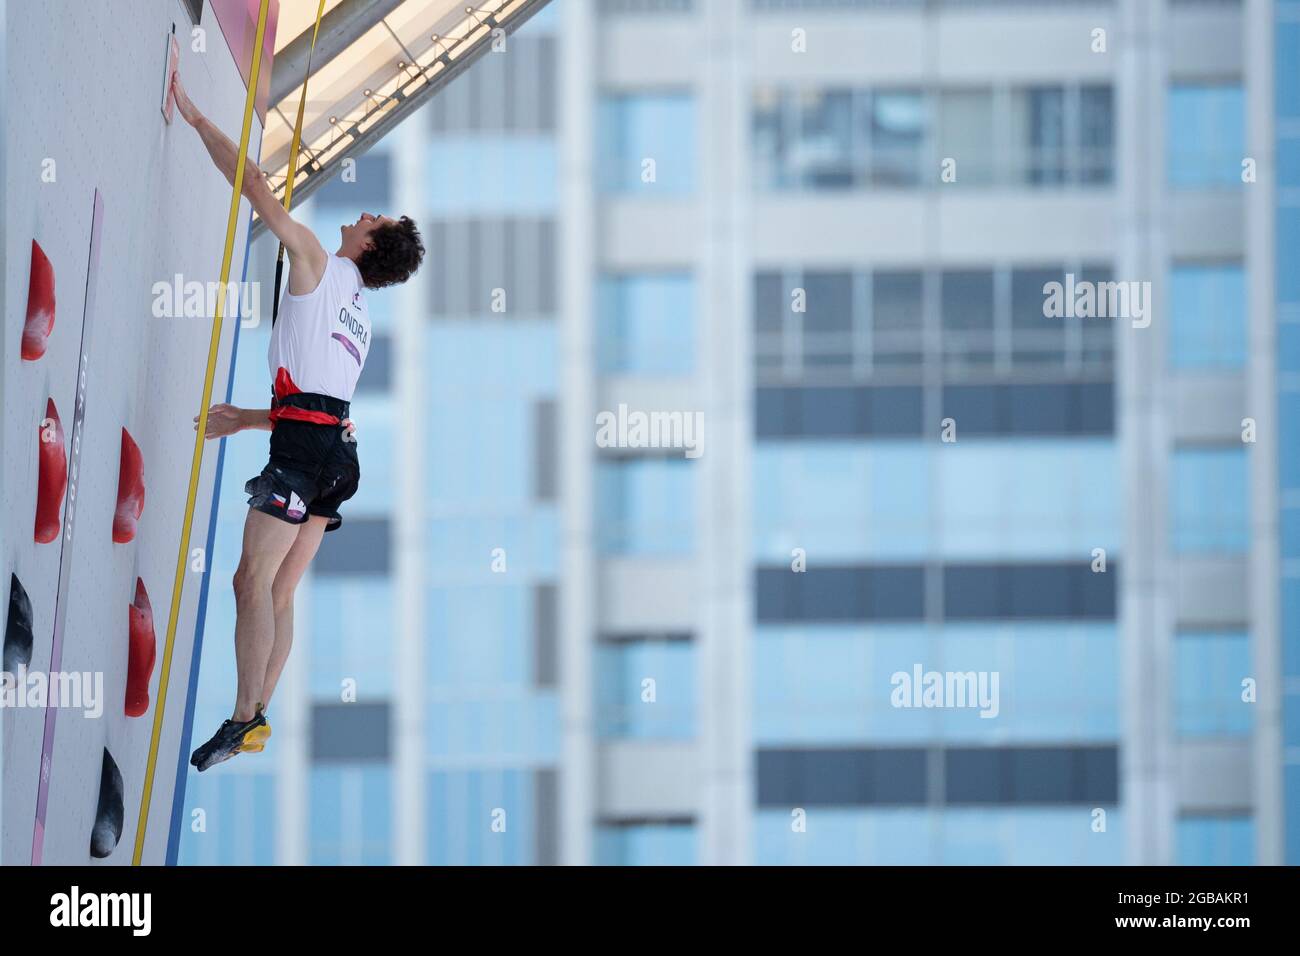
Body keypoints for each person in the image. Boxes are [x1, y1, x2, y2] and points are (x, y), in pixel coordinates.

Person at [171, 71, 424, 770]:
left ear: (369, 248)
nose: (367, 214)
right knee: (279, 590)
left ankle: (244, 718)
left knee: (251, 584)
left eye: (377, 221)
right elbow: (316, 401)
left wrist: (195, 117)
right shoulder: (361, 320)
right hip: (337, 459)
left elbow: (252, 183)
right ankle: (253, 718)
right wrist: (249, 419)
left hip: (312, 452)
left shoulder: (316, 257)